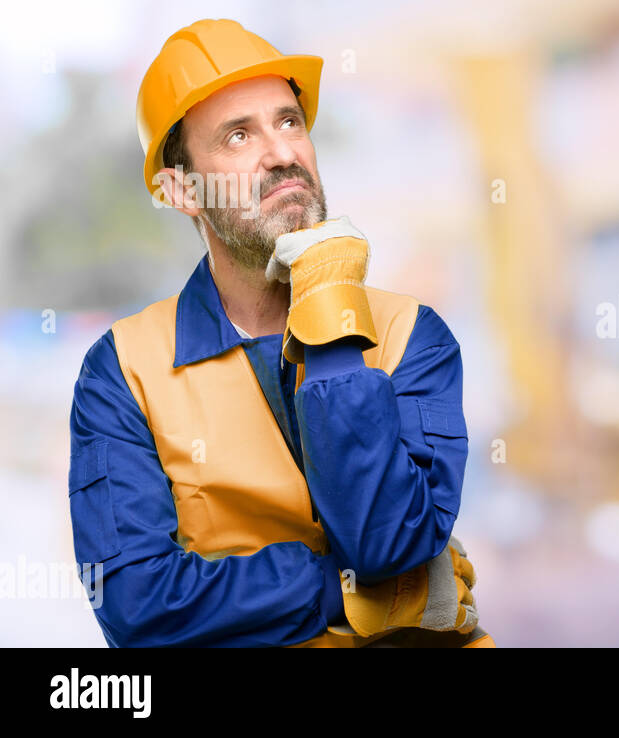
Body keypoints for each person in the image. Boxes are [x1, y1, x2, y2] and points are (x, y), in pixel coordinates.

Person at [66, 18, 493, 647]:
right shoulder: (124, 370)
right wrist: (336, 589)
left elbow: (388, 544)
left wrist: (330, 316)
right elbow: (138, 603)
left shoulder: (409, 333)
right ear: (183, 189)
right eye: (239, 136)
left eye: (289, 121)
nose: (282, 153)